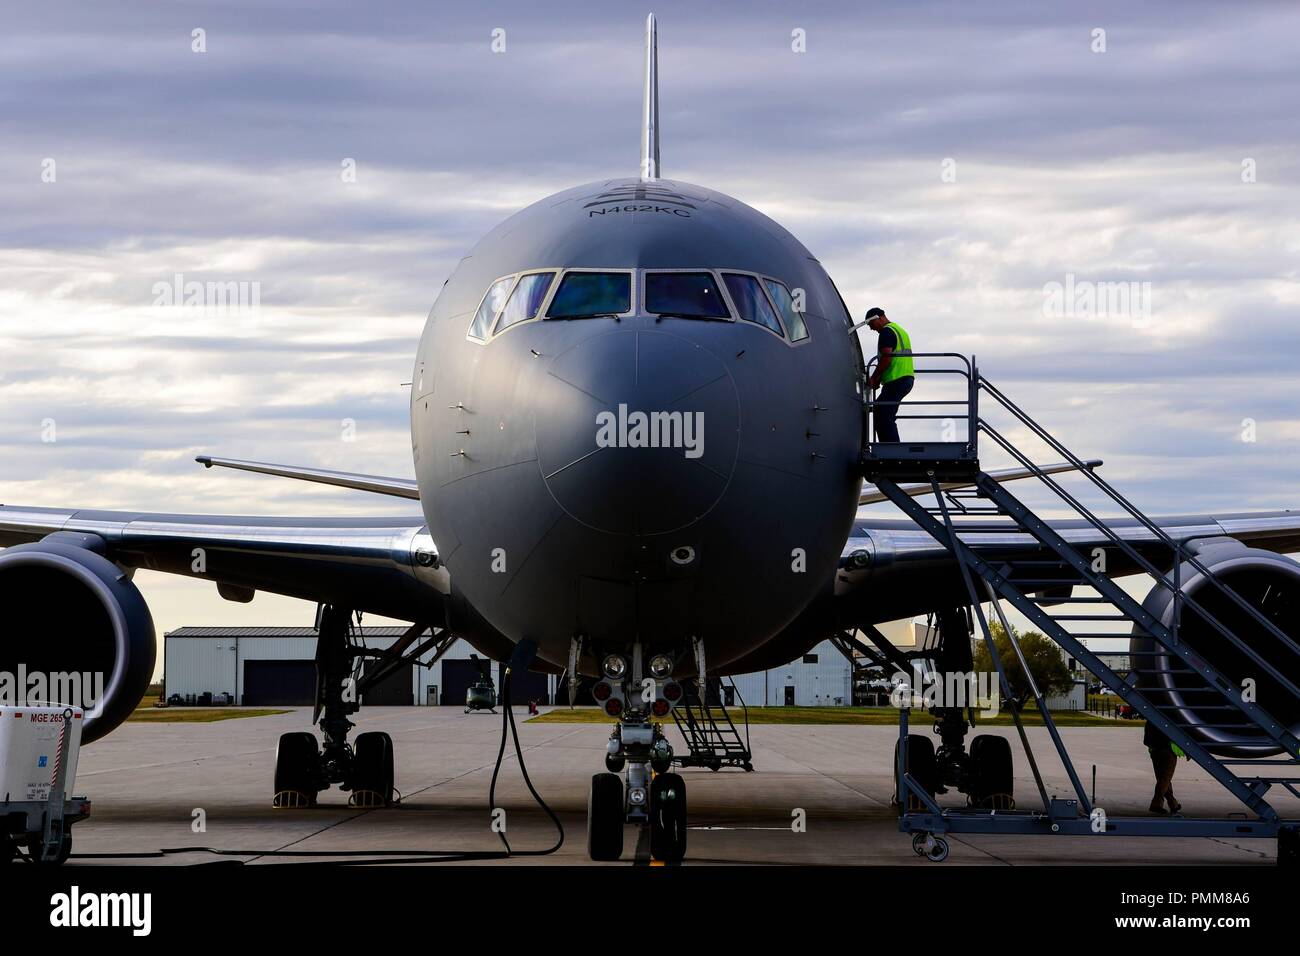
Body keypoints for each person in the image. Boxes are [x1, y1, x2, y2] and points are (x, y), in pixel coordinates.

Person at [864, 307, 915, 443]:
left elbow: (887, 357)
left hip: (896, 379)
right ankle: (890, 447)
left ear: (878, 318)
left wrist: (874, 378)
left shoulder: (886, 332)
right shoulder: (899, 330)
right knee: (883, 411)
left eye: (871, 324)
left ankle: (890, 449)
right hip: (905, 378)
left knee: (883, 414)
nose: (871, 328)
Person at [1143, 720, 1183, 815]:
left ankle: (1173, 804)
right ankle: (1156, 804)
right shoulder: (1169, 720)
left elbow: (1146, 740)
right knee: (1165, 778)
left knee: (1163, 779)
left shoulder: (1151, 720)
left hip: (1154, 751)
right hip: (1168, 752)